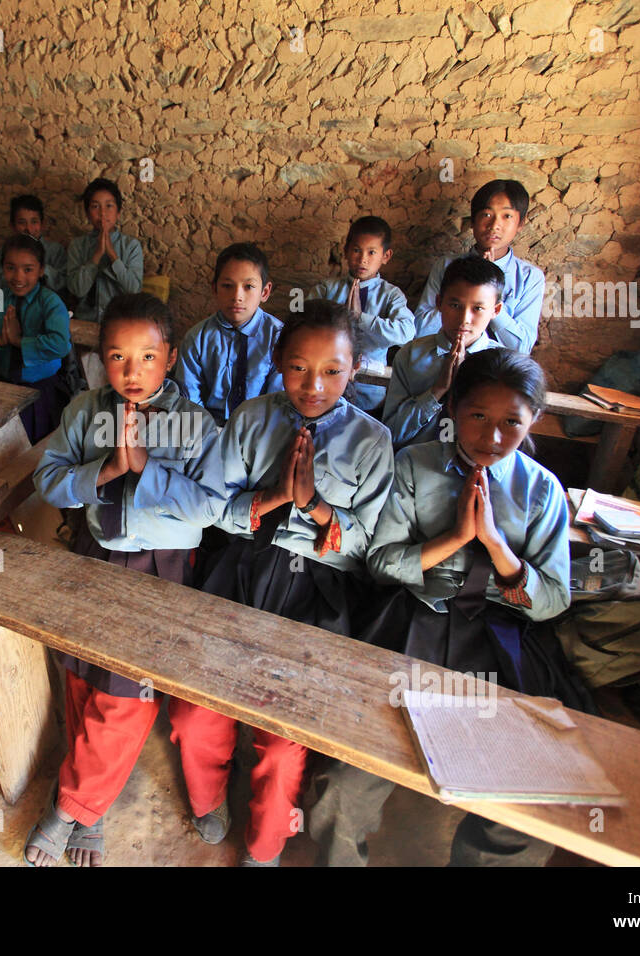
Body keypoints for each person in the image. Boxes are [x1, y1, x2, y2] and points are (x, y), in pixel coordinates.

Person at [306, 348, 576, 867]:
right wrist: (456, 537)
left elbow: (553, 601)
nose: (492, 438)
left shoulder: (543, 492)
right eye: (477, 416)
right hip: (415, 620)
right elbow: (381, 564)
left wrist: (497, 546)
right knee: (349, 776)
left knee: (530, 799)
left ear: (535, 420)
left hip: (500, 637)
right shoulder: (414, 465)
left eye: (511, 423)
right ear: (452, 407)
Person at [178, 299, 395, 865]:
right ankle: (207, 801)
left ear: (356, 368)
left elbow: (372, 545)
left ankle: (265, 843)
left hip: (317, 590)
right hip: (242, 568)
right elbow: (207, 505)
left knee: (286, 731)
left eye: (332, 370)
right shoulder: (250, 418)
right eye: (298, 366)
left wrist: (320, 510)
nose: (314, 385)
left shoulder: (373, 442)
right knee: (195, 710)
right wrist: (272, 499)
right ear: (278, 360)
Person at [27, 292, 226, 866]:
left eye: (146, 357)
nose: (131, 372)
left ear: (171, 356)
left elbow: (209, 506)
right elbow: (49, 478)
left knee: (127, 697)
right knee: (83, 676)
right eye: (116, 357)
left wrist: (143, 470)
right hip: (94, 554)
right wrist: (105, 470)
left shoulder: (193, 423)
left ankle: (72, 810)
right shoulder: (85, 410)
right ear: (99, 358)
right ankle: (91, 805)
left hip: (158, 568)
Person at [381, 255, 503, 450]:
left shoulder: (502, 365)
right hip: (412, 470)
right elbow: (390, 433)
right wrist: (437, 391)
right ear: (439, 302)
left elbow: (503, 440)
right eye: (455, 305)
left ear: (495, 310)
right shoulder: (410, 356)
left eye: (478, 308)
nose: (465, 318)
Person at [411, 178, 545, 352]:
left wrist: (489, 298)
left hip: (499, 370)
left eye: (507, 216)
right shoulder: (446, 266)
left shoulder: (529, 278)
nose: (494, 225)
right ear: (473, 221)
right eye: (487, 214)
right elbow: (421, 330)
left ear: (520, 224)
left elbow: (521, 347)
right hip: (442, 359)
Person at [0, 234, 72, 442]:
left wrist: (19, 342)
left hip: (42, 391)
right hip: (6, 389)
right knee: (8, 447)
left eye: (28, 269)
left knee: (38, 446)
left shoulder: (50, 302)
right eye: (10, 268)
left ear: (41, 270)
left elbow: (60, 345)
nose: (18, 277)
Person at [311, 215, 415, 411]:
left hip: (371, 391)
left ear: (386, 256)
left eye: (372, 252)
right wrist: (338, 320)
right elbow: (306, 324)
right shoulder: (326, 289)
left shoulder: (391, 295)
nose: (362, 259)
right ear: (346, 251)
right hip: (326, 386)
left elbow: (407, 333)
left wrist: (360, 319)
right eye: (357, 250)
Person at [175, 242, 282, 428]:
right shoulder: (197, 339)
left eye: (248, 286)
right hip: (208, 428)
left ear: (264, 292)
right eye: (227, 286)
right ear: (214, 288)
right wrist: (207, 433)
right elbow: (189, 400)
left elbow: (279, 400)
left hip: (261, 429)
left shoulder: (278, 338)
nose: (237, 296)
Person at [65, 178, 143, 323]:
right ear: (87, 214)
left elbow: (134, 290)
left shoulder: (131, 246)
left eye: (109, 206)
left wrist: (113, 255)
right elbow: (77, 290)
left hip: (120, 322)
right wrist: (96, 256)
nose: (102, 213)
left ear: (118, 212)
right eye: (95, 207)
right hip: (85, 320)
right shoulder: (77, 246)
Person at [0, 194, 67, 296]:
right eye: (22, 223)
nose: (29, 229)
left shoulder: (55, 250)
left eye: (34, 222)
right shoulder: (7, 250)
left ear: (42, 224)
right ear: (12, 226)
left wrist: (40, 267)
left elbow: (63, 285)